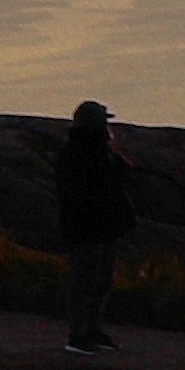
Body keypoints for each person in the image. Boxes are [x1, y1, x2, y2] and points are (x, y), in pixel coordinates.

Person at [53, 101, 130, 352]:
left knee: (100, 282)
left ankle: (93, 330)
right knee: (84, 282)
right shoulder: (76, 155)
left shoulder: (100, 153)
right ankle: (78, 335)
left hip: (104, 227)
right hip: (85, 229)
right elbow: (76, 193)